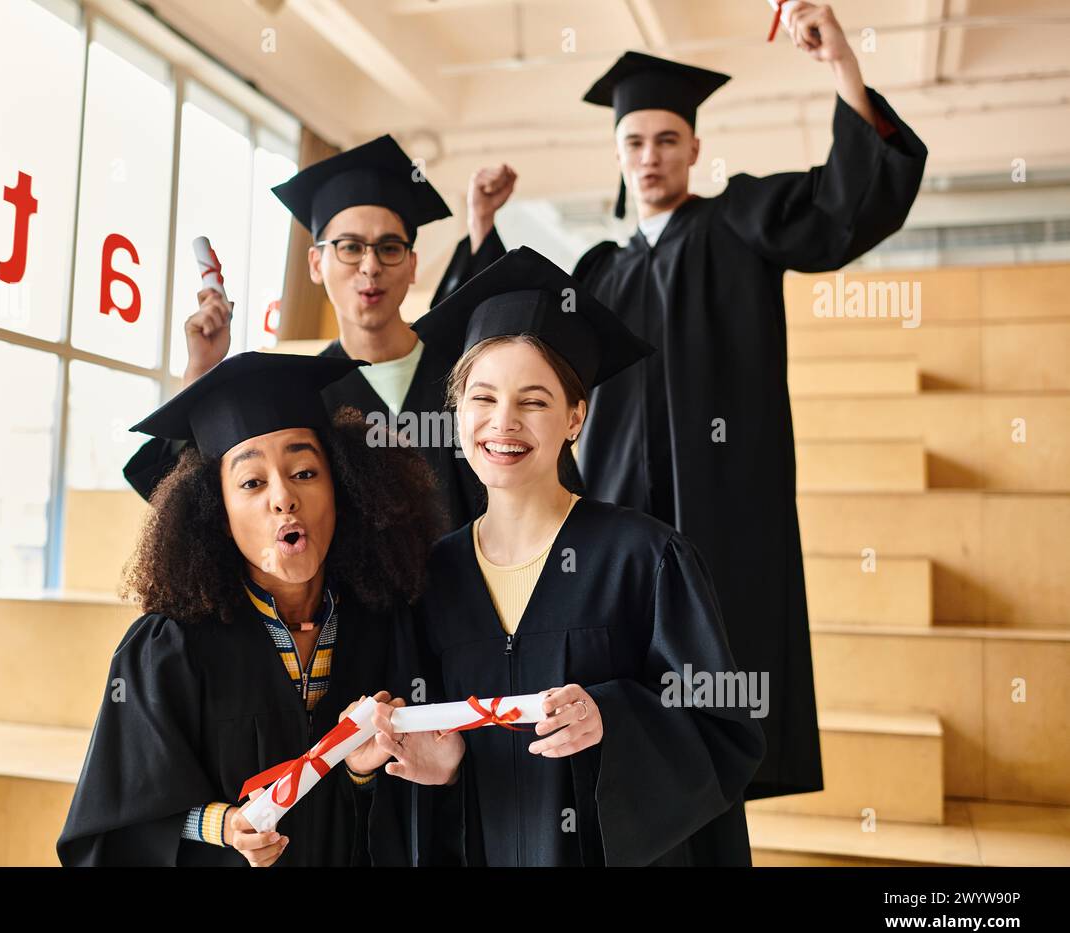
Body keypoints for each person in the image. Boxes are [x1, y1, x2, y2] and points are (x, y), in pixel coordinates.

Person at [431, 3, 928, 805]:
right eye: (635, 142)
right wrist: (480, 227)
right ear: (618, 153)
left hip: (731, 515)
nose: (650, 155)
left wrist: (843, 67)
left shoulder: (740, 224)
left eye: (667, 140)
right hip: (621, 518)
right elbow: (502, 331)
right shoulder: (597, 274)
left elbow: (843, 205)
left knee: (720, 711)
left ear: (694, 147)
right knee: (623, 705)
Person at [373, 247, 766, 866]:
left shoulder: (646, 559)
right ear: (456, 411)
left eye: (533, 401)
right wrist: (442, 772)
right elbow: (427, 786)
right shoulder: (432, 579)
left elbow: (726, 735)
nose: (503, 423)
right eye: (482, 398)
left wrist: (614, 719)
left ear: (575, 417)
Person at [57, 352, 443, 866]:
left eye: (304, 471)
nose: (283, 497)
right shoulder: (168, 649)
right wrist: (223, 825)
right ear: (216, 515)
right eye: (252, 482)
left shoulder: (385, 625)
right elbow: (116, 826)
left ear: (344, 488)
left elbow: (422, 819)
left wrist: (362, 771)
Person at [125, 134, 488, 530]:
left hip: (466, 591)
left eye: (389, 247)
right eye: (349, 247)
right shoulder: (297, 392)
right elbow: (195, 497)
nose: (370, 266)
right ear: (316, 263)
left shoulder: (468, 380)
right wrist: (201, 374)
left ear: (412, 264)